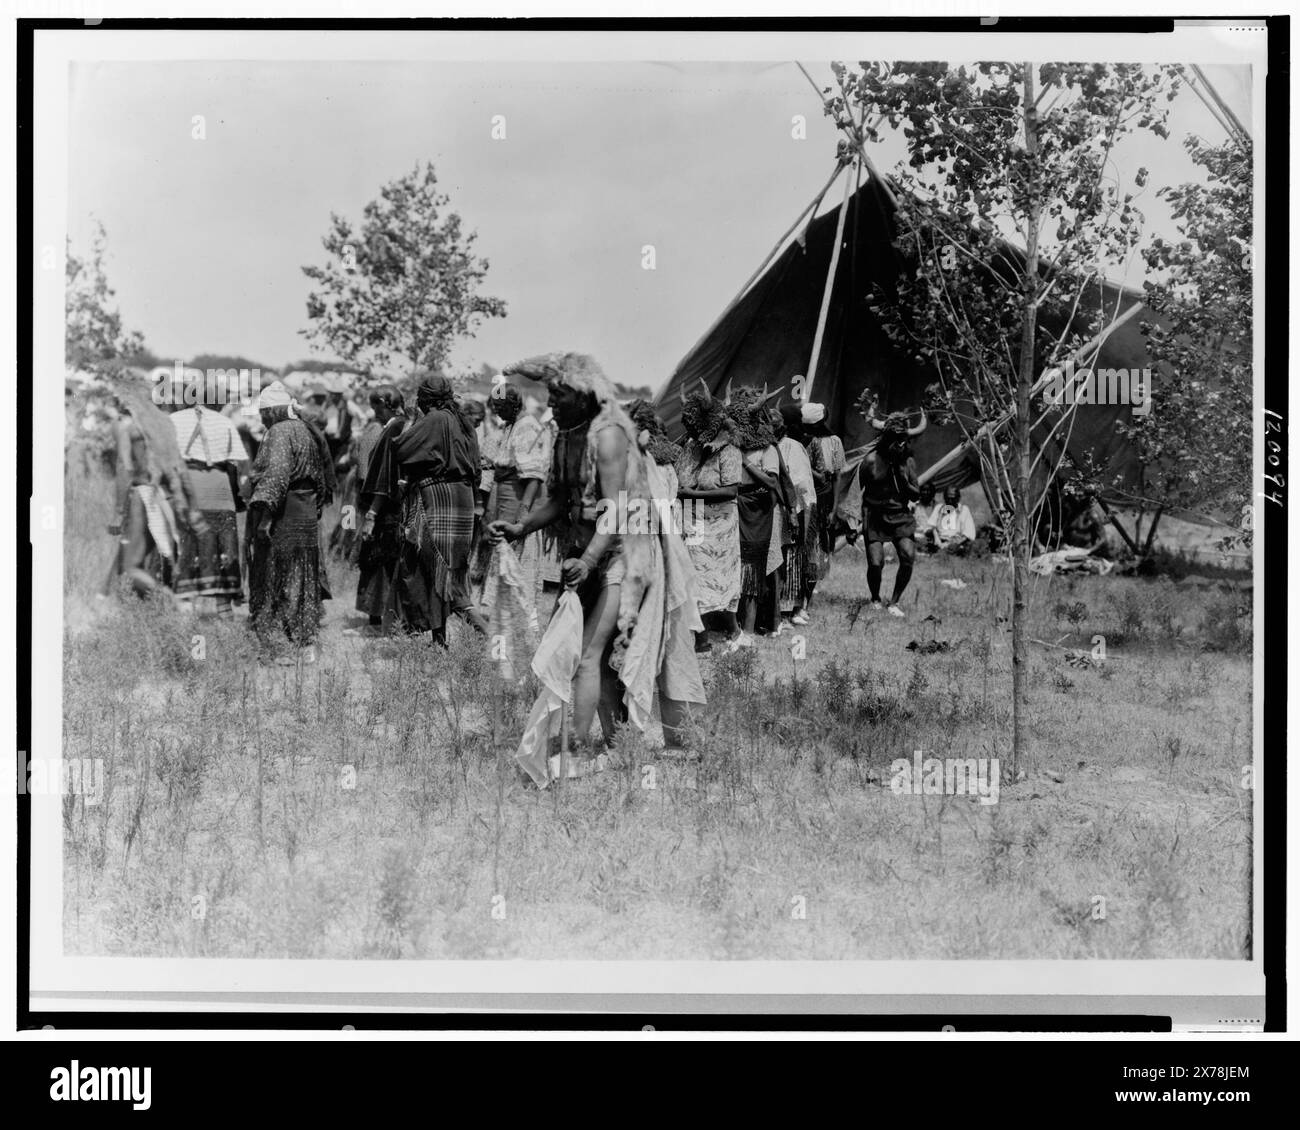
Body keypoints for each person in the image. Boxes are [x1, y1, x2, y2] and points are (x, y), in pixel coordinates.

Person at [490, 352, 705, 773]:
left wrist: (588, 560)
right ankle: (617, 745)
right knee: (594, 659)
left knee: (588, 655)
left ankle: (576, 750)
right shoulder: (566, 437)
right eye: (550, 392)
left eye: (561, 393)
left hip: (625, 554)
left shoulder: (607, 438)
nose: (552, 400)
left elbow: (617, 509)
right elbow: (561, 500)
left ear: (585, 396)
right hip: (589, 556)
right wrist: (521, 527)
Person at [389, 376, 489, 646]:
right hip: (463, 501)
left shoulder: (433, 420)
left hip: (438, 499)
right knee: (443, 571)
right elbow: (476, 469)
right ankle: (439, 641)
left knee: (440, 573)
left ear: (425, 398)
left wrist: (413, 419)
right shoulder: (462, 421)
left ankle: (491, 637)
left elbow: (401, 448)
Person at [246, 381, 334, 662]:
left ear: (273, 411)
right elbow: (321, 478)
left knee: (274, 577)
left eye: (263, 414)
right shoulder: (305, 430)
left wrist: (265, 518)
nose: (262, 419)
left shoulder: (279, 431)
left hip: (284, 514)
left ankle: (275, 646)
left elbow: (277, 474)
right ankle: (306, 644)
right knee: (303, 579)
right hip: (305, 514)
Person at [476, 384, 550, 666]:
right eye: (494, 408)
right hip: (503, 502)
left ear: (513, 404)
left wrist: (523, 513)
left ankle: (521, 644)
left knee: (517, 572)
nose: (496, 412)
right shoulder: (510, 426)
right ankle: (501, 641)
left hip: (517, 505)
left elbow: (534, 476)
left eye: (500, 407)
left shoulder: (527, 427)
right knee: (501, 571)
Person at [101, 385, 185, 599]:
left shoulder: (131, 427)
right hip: (170, 495)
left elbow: (125, 468)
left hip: (145, 494)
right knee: (167, 551)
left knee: (132, 559)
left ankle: (169, 600)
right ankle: (164, 599)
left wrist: (119, 511)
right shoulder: (169, 427)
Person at [674, 386, 743, 649]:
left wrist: (693, 494)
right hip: (690, 521)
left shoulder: (729, 451)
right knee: (692, 577)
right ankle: (701, 638)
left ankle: (732, 630)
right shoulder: (690, 446)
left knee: (716, 580)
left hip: (719, 526)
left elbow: (731, 491)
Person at [168, 395, 249, 613]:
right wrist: (239, 499)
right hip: (220, 491)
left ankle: (187, 613)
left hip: (190, 490)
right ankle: (225, 612)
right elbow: (235, 464)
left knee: (187, 549)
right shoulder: (224, 421)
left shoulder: (174, 420)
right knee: (224, 551)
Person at [858, 397, 927, 617]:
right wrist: (855, 520)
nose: (899, 444)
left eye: (902, 439)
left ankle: (894, 602)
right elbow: (857, 492)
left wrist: (903, 479)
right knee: (875, 563)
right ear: (884, 438)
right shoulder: (870, 461)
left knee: (908, 556)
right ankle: (875, 598)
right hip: (874, 515)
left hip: (900, 515)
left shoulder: (908, 463)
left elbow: (916, 494)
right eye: (894, 439)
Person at [731, 388, 791, 638]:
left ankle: (767, 622)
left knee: (763, 566)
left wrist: (744, 462)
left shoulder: (767, 449)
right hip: (738, 508)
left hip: (762, 511)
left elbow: (771, 482)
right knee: (741, 566)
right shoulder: (733, 447)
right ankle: (738, 623)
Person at [352, 385, 408, 633]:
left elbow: (384, 479)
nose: (375, 413)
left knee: (380, 564)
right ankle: (386, 623)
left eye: (376, 408)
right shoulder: (401, 425)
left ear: (385, 405)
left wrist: (372, 514)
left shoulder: (394, 429)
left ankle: (381, 624)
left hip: (387, 510)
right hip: (395, 507)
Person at [773, 408, 817, 627]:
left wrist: (796, 512)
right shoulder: (769, 447)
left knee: (792, 557)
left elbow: (801, 484)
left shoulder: (792, 447)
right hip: (775, 509)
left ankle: (788, 610)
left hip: (794, 509)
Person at [802, 401, 845, 599]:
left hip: (822, 495)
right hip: (803, 493)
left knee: (818, 544)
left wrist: (834, 509)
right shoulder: (801, 440)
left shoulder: (834, 441)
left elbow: (836, 477)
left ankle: (809, 590)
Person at [932, 485, 977, 554]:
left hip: (957, 543)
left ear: (958, 498)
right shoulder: (939, 508)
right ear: (944, 498)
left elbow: (968, 534)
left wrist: (951, 544)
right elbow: (931, 526)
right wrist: (937, 539)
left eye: (952, 499)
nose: (950, 501)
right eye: (948, 498)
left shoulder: (964, 510)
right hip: (939, 542)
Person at [912, 482, 941, 552]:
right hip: (918, 537)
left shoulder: (939, 507)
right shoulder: (914, 506)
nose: (926, 493)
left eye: (928, 490)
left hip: (935, 537)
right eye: (923, 490)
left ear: (933, 493)